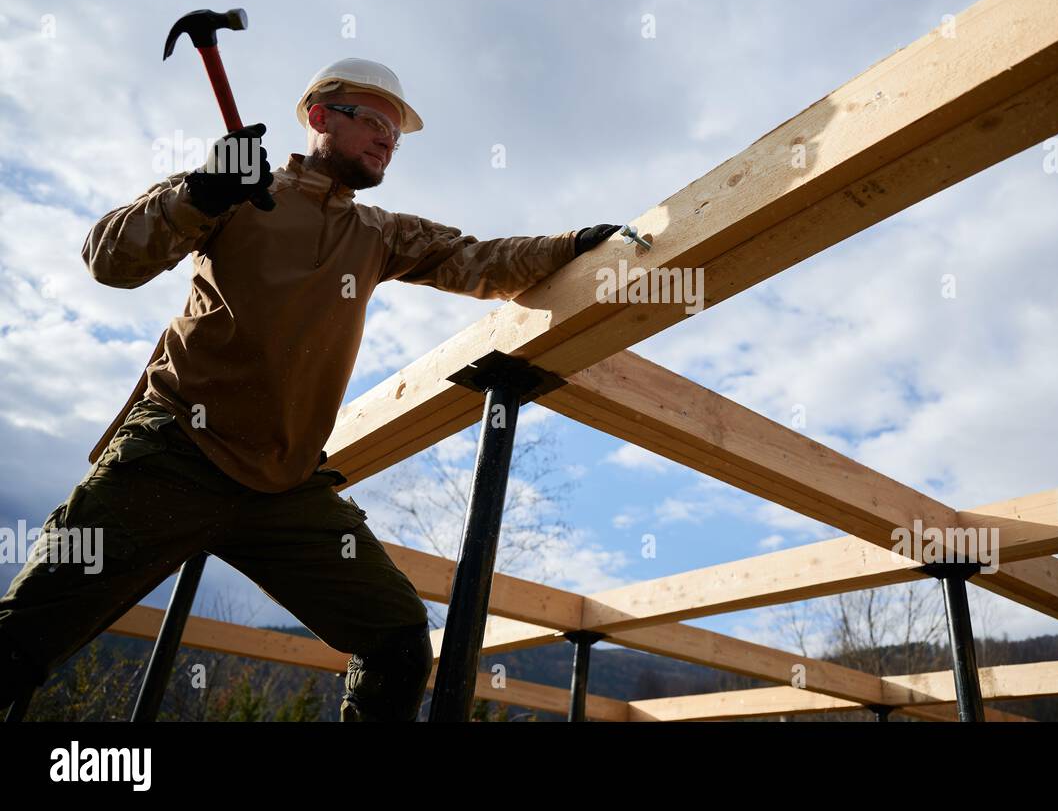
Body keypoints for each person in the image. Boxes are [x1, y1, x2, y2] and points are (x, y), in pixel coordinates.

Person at [0, 57, 620, 720]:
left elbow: (479, 260)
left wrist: (576, 244)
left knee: (398, 639)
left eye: (398, 135)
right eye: (376, 121)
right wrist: (200, 194)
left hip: (282, 486)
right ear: (320, 117)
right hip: (171, 456)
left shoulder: (377, 233)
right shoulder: (237, 189)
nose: (389, 140)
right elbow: (110, 259)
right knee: (19, 641)